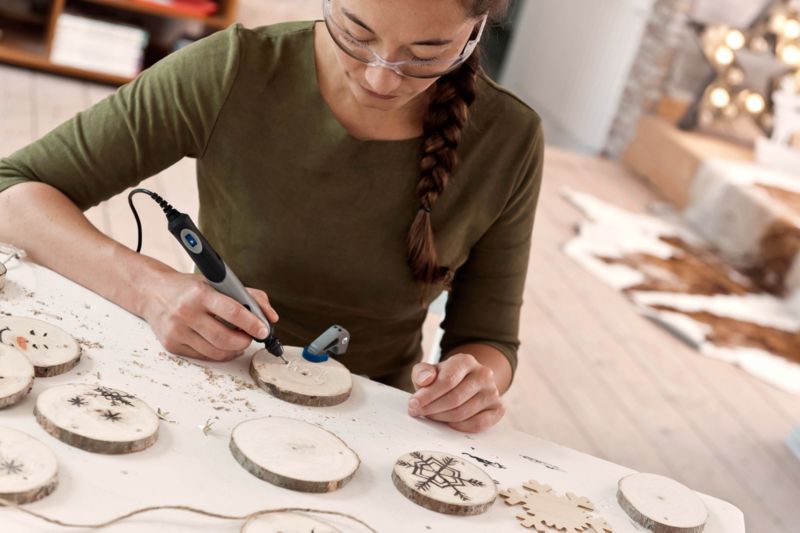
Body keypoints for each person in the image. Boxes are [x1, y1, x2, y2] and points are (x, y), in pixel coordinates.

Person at [0, 0, 543, 433]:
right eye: (356, 34)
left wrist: (473, 384)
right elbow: (12, 190)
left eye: (426, 54)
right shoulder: (235, 68)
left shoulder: (509, 139)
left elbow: (488, 338)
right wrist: (148, 289)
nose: (381, 80)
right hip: (203, 384)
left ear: (475, 33)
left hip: (374, 419)